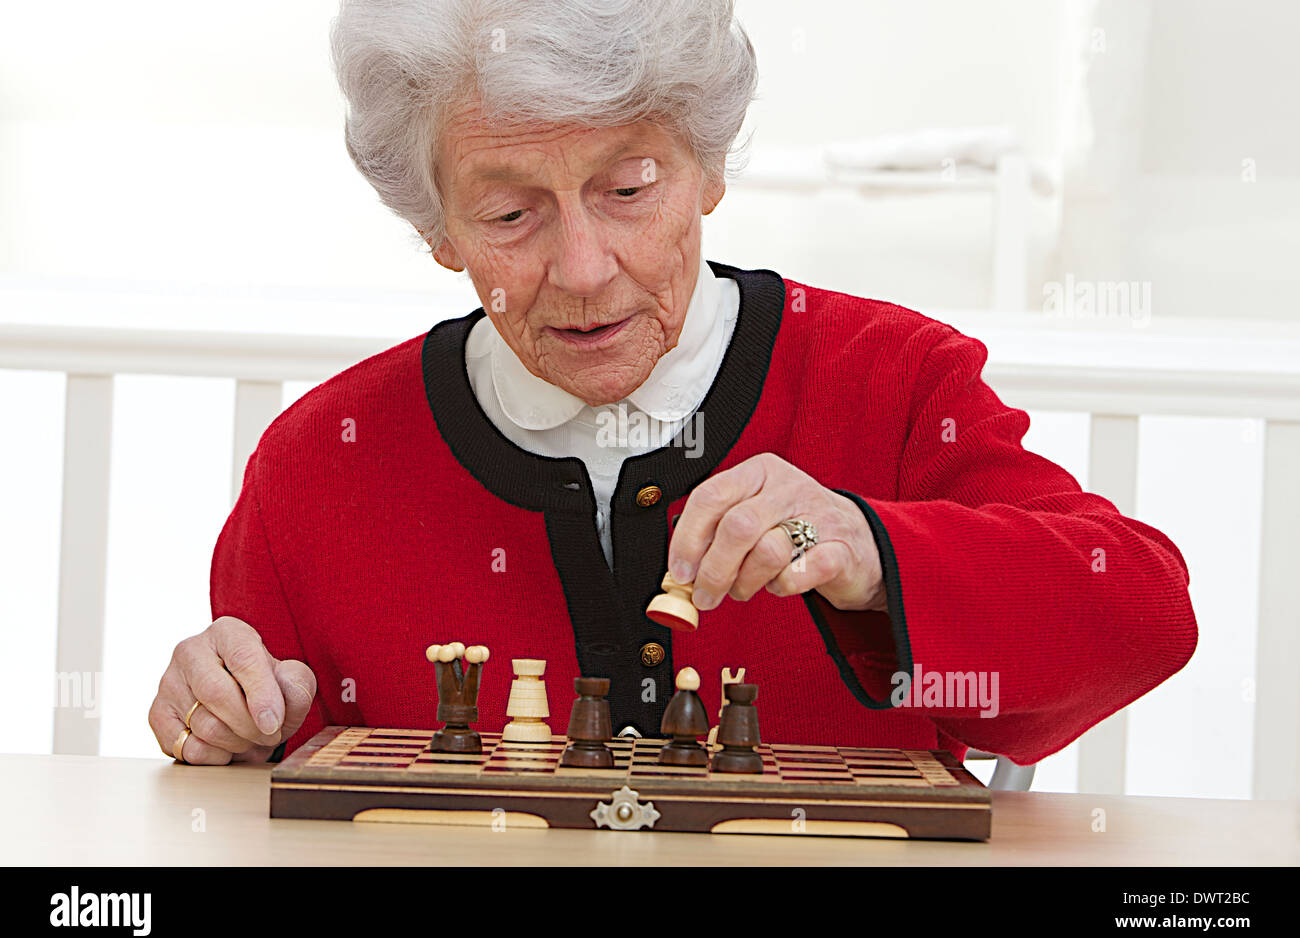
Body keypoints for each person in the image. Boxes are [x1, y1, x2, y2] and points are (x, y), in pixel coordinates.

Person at [148, 0, 1196, 768]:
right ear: (436, 229)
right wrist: (225, 718)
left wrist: (868, 548)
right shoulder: (318, 463)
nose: (585, 267)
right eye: (511, 214)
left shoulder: (894, 380)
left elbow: (1143, 619)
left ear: (709, 168)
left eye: (628, 189)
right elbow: (263, 775)